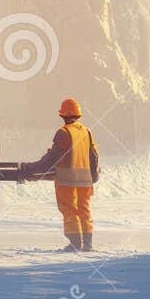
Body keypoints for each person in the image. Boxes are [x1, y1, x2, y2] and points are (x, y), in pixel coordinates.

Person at [20, 97, 100, 251]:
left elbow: (51, 159)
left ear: (62, 115)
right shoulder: (87, 132)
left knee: (69, 210)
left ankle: (75, 244)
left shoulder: (63, 132)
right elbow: (94, 156)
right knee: (84, 209)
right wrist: (94, 176)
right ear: (78, 115)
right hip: (85, 180)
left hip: (67, 180)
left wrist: (30, 168)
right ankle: (88, 244)